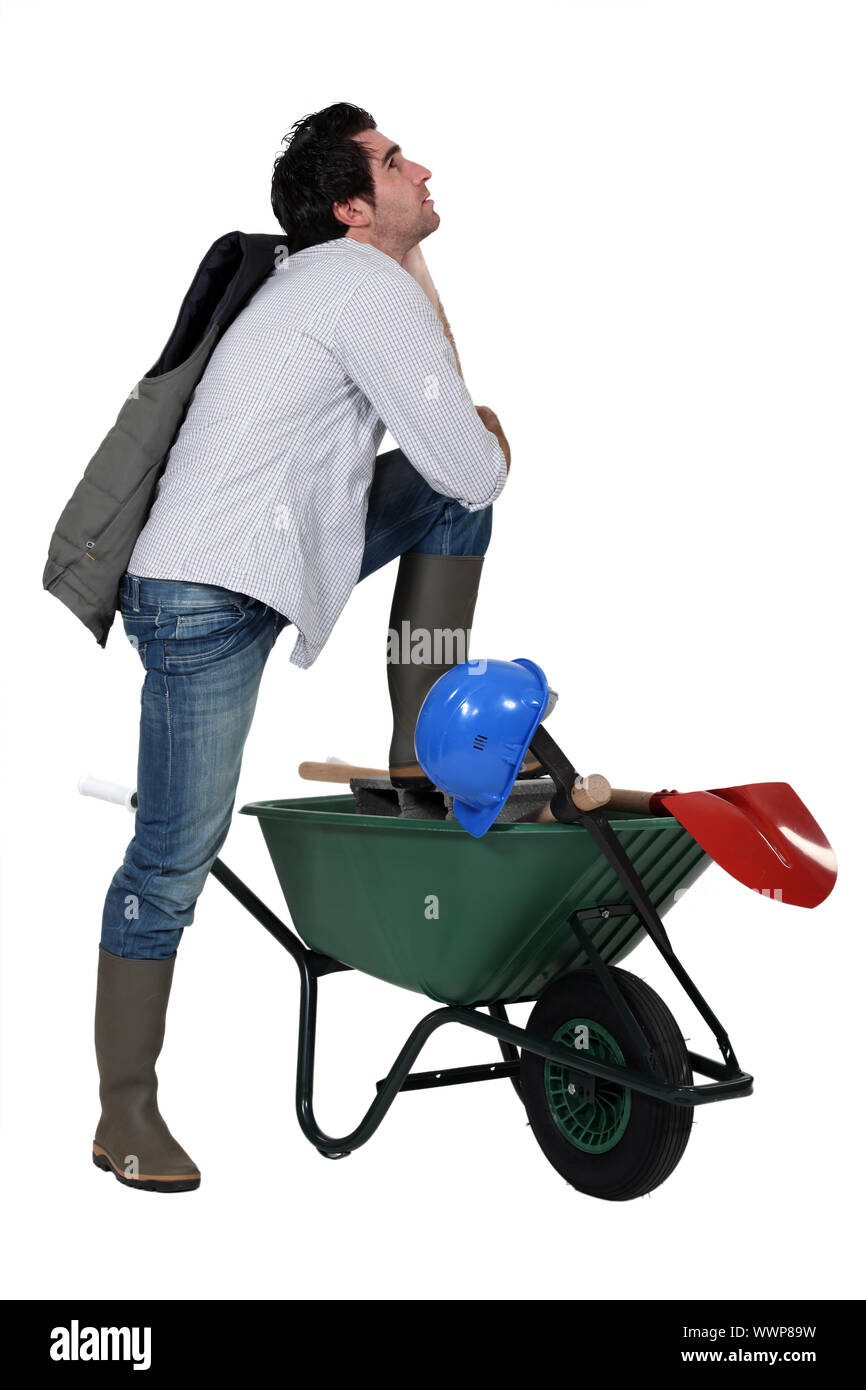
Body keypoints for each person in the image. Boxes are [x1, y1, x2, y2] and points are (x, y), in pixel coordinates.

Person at [93, 102, 517, 1193]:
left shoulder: (351, 280)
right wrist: (484, 439)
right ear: (348, 206)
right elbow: (469, 459)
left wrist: (420, 288)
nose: (420, 166)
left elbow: (442, 450)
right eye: (391, 161)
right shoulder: (358, 287)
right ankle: (124, 1115)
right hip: (202, 595)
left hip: (254, 561)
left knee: (445, 490)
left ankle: (421, 744)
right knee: (170, 858)